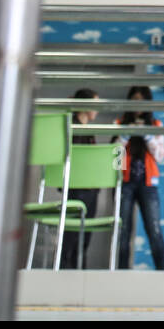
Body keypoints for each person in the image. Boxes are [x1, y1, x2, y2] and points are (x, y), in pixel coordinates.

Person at [116, 86, 164, 271]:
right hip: (125, 183)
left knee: (154, 229)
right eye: (134, 100)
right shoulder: (120, 123)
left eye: (141, 100)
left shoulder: (156, 125)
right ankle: (120, 273)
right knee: (123, 232)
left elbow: (160, 155)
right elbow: (115, 161)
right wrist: (125, 135)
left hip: (148, 184)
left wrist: (146, 134)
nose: (138, 105)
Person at [59, 88, 100, 270]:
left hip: (90, 188)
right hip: (77, 188)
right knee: (71, 237)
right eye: (95, 104)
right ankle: (65, 274)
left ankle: (76, 274)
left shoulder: (88, 130)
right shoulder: (72, 126)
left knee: (83, 239)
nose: (97, 110)